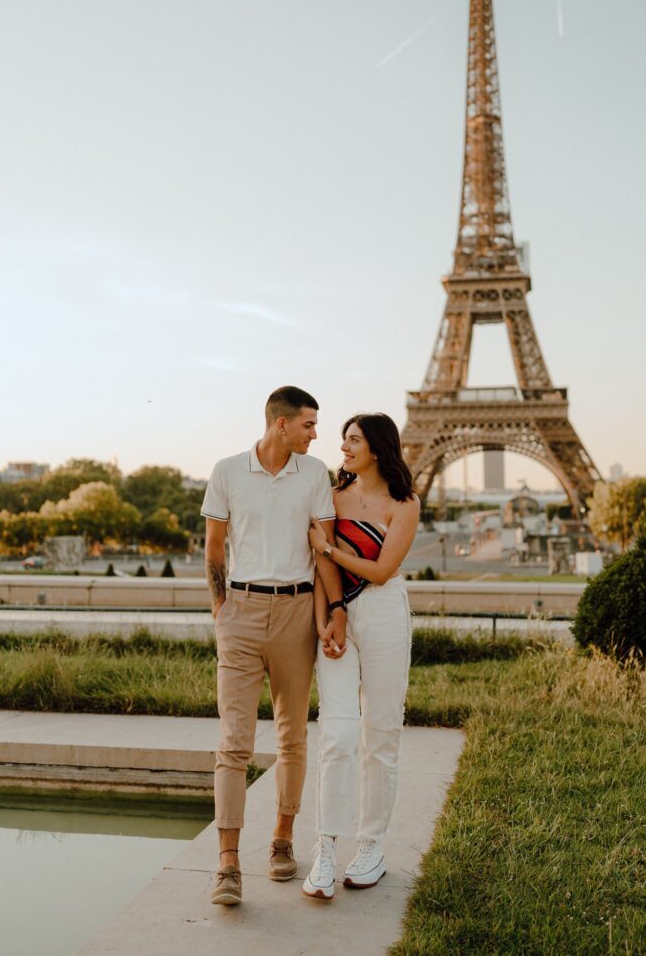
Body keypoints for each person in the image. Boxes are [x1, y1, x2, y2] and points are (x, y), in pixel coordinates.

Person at [201, 385, 347, 907]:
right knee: (233, 742)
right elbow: (215, 548)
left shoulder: (315, 474)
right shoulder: (227, 472)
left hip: (295, 612)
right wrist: (223, 612)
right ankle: (227, 865)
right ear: (281, 424)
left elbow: (323, 551)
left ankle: (282, 839)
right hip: (240, 611)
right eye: (309, 424)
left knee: (292, 736)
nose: (316, 433)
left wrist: (333, 612)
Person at [302, 413, 419, 900]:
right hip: (337, 613)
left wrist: (330, 549)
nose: (344, 447)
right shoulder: (330, 497)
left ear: (377, 447)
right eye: (344, 439)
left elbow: (383, 571)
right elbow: (314, 567)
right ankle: (326, 848)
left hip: (386, 613)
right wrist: (323, 619)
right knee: (338, 733)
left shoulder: (405, 503)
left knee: (382, 733)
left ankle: (370, 845)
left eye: (353, 439)